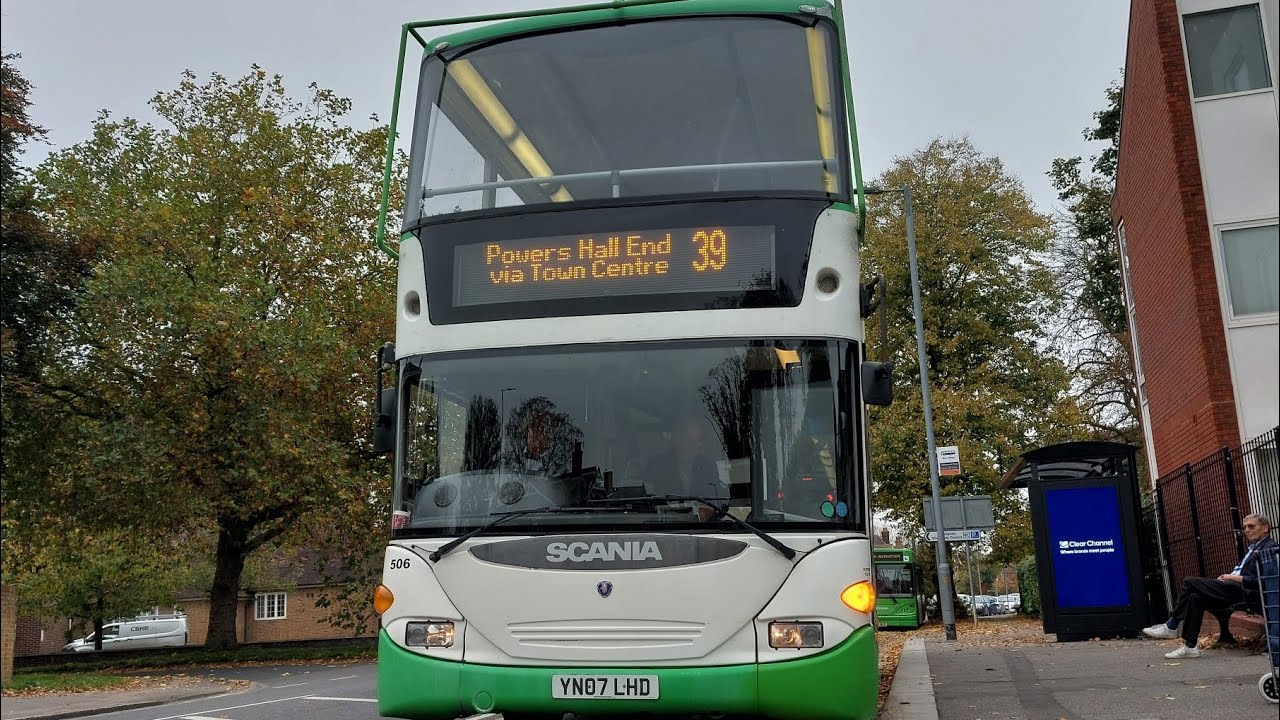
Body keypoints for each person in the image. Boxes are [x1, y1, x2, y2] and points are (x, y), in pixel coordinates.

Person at [1143, 512, 1277, 658]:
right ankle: (1190, 646)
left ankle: (1171, 625)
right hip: (1232, 588)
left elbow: (1265, 581)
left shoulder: (1269, 548)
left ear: (1265, 528)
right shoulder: (1253, 548)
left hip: (1246, 592)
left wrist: (1233, 578)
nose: (1247, 530)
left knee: (1190, 582)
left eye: (1251, 526)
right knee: (1195, 597)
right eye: (1245, 527)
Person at [643, 417, 717, 498]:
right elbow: (649, 498)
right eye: (690, 442)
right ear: (677, 440)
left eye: (698, 442)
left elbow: (716, 499)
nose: (694, 447)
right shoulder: (656, 466)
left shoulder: (709, 466)